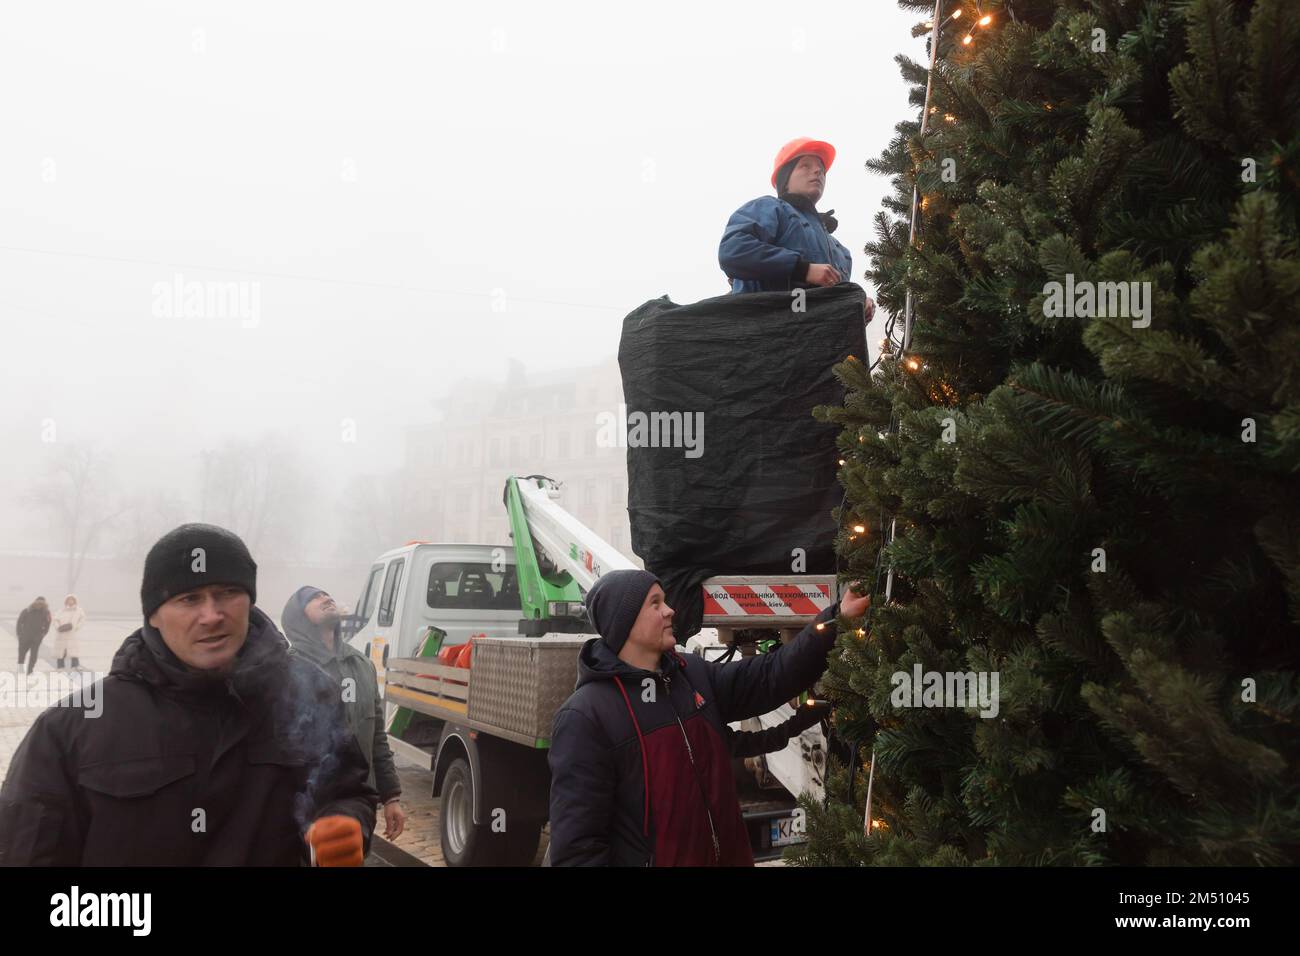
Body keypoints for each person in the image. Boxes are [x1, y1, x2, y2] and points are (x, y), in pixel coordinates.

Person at [0, 523, 376, 866]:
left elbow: (347, 789)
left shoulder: (308, 694)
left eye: (227, 592)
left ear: (250, 601)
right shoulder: (71, 729)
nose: (211, 615)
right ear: (153, 615)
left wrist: (346, 823)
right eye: (189, 599)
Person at [547, 568, 869, 866]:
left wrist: (834, 620)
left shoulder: (693, 676)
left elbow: (771, 675)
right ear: (625, 622)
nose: (670, 610)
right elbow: (578, 847)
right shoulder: (586, 717)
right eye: (655, 604)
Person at [281, 586, 406, 845]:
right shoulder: (286, 670)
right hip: (302, 812)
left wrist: (391, 796)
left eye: (327, 594)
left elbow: (377, 737)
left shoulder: (362, 665)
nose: (326, 597)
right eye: (313, 597)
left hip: (356, 810)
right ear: (297, 616)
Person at [719, 137, 858, 296]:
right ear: (785, 179)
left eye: (821, 169)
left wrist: (856, 301)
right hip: (765, 318)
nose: (818, 171)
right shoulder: (770, 208)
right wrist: (803, 270)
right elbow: (733, 250)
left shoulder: (841, 252)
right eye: (805, 166)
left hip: (814, 320)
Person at [15, 597, 51, 676]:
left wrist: (42, 634)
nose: (39, 605)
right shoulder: (27, 610)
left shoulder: (46, 613)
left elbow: (47, 625)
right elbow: (19, 622)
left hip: (36, 639)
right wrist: (19, 634)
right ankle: (20, 670)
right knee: (21, 655)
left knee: (33, 656)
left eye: (41, 603)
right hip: (24, 637)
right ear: (35, 602)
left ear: (44, 604)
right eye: (38, 603)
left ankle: (30, 671)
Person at [50, 594, 86, 670]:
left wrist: (76, 627)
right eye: (69, 600)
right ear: (66, 601)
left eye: (72, 599)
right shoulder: (61, 610)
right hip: (61, 633)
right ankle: (60, 666)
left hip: (71, 634)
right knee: (61, 650)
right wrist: (58, 627)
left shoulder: (78, 610)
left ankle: (75, 665)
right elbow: (55, 620)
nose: (70, 601)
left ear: (74, 601)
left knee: (73, 649)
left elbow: (82, 620)